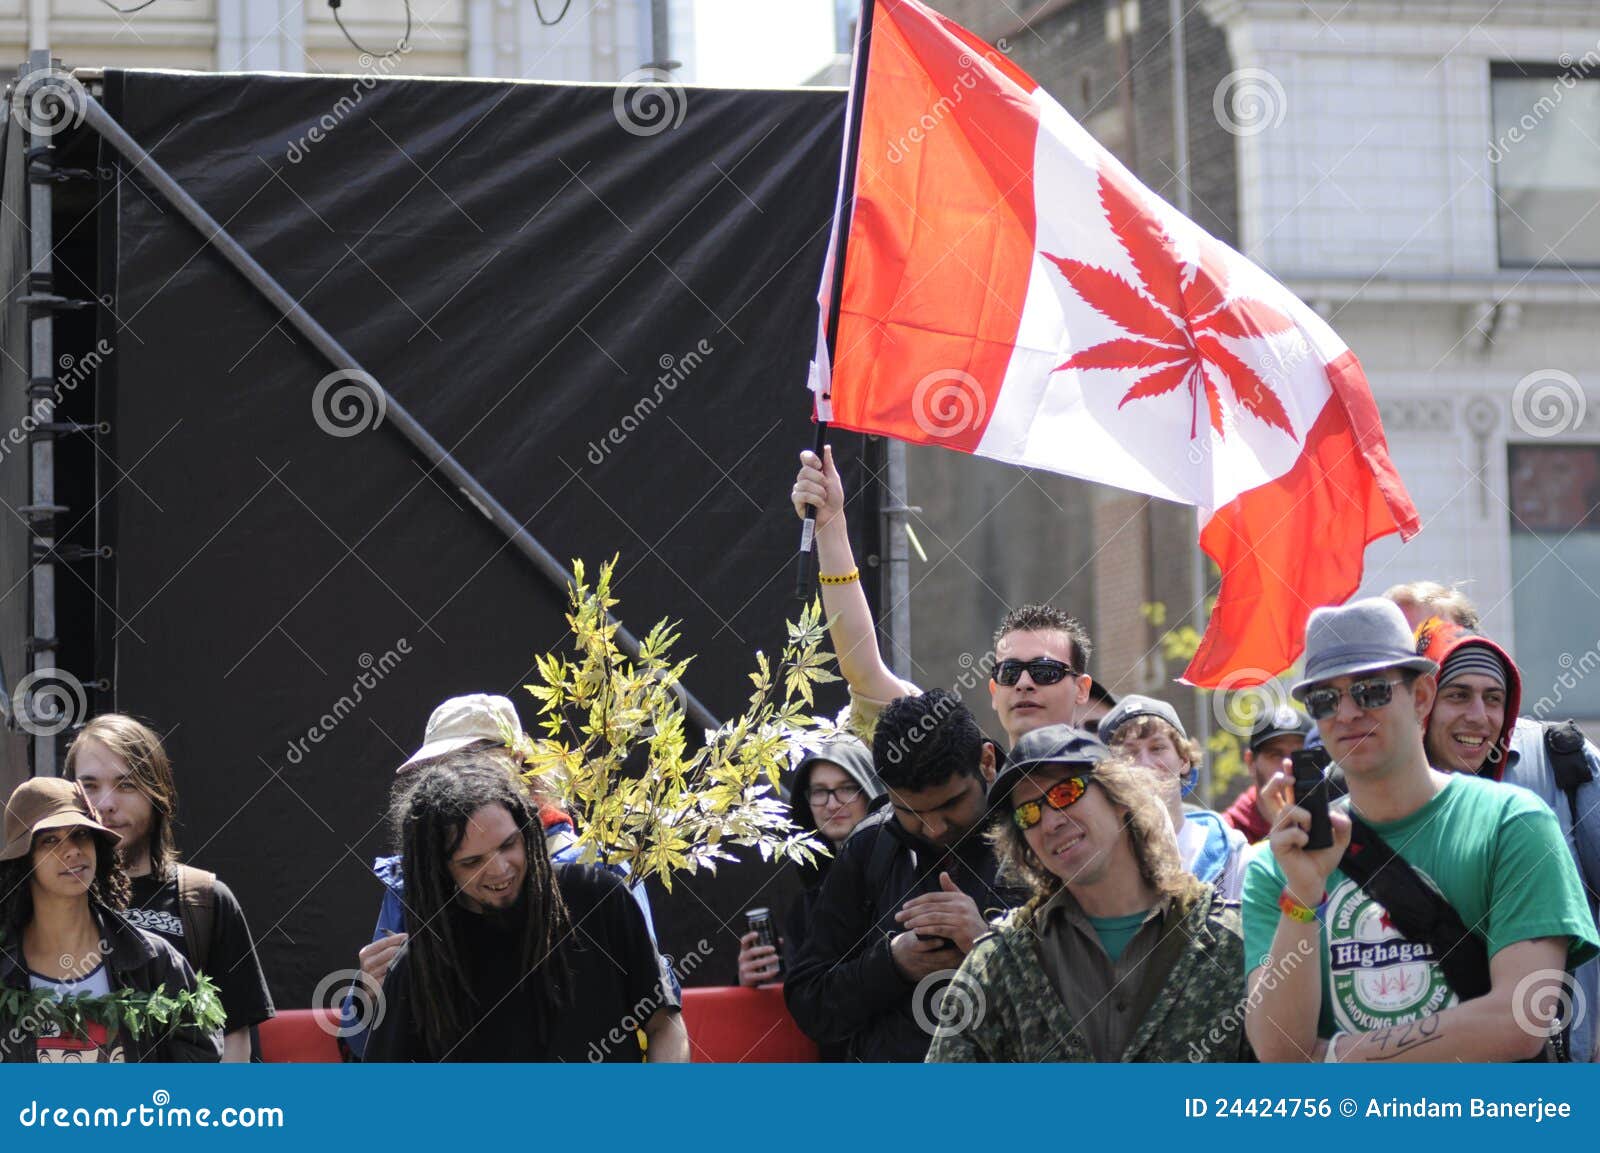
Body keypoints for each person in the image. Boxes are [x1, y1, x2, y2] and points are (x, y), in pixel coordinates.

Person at [1243, 598, 1599, 1062]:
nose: (1347, 712)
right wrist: (1304, 897)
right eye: (1325, 700)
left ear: (1422, 697)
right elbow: (1281, 1054)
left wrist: (1336, 1058)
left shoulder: (1514, 823)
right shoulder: (1279, 864)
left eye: (1370, 691)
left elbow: (1519, 1019)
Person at [343, 692, 664, 1058]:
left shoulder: (595, 872)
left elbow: (659, 1007)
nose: (453, 777)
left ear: (516, 757)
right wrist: (370, 994)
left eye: (467, 757)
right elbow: (370, 1046)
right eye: (436, 767)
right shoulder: (410, 883)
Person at [927, 725, 1251, 1062]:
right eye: (1029, 812)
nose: (1050, 822)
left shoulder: (1229, 941)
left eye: (1065, 793)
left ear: (1119, 798)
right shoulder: (998, 966)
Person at [791, 448, 1095, 744]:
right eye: (1009, 672)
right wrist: (830, 526)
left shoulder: (1116, 791)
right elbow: (865, 671)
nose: (1024, 684)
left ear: (1082, 689)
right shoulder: (969, 778)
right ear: (993, 690)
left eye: (1045, 671)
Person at [784, 690, 1024, 1061]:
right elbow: (810, 1002)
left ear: (987, 762)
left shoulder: (1039, 835)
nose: (933, 828)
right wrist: (891, 965)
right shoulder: (869, 848)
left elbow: (1091, 995)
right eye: (910, 811)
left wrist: (987, 945)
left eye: (950, 805)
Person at [1412, 615, 1600, 1062]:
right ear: (1421, 702)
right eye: (1457, 695)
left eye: (1493, 698)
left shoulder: (1562, 761)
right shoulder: (1373, 785)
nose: (1478, 716)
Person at [65, 715, 274, 1062]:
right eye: (89, 785)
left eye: (127, 784)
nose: (105, 804)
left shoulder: (205, 901)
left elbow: (235, 1042)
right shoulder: (47, 898)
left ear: (156, 793)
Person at [0, 778, 222, 1062]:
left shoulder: (154, 961)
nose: (72, 850)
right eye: (50, 840)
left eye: (81, 834)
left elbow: (201, 1071)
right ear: (24, 861)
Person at [737, 735, 884, 988]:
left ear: (869, 790)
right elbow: (809, 998)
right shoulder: (806, 905)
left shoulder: (900, 874)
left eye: (847, 788)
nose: (832, 803)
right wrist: (756, 980)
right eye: (819, 791)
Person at [1098, 695, 1247, 898]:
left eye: (1157, 748)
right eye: (1128, 753)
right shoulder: (1099, 859)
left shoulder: (1231, 853)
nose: (1144, 763)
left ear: (1184, 759)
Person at [1221, 706, 1313, 843]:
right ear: (1250, 763)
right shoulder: (1226, 835)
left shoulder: (1334, 824)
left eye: (1300, 754)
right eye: (1275, 755)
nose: (1289, 764)